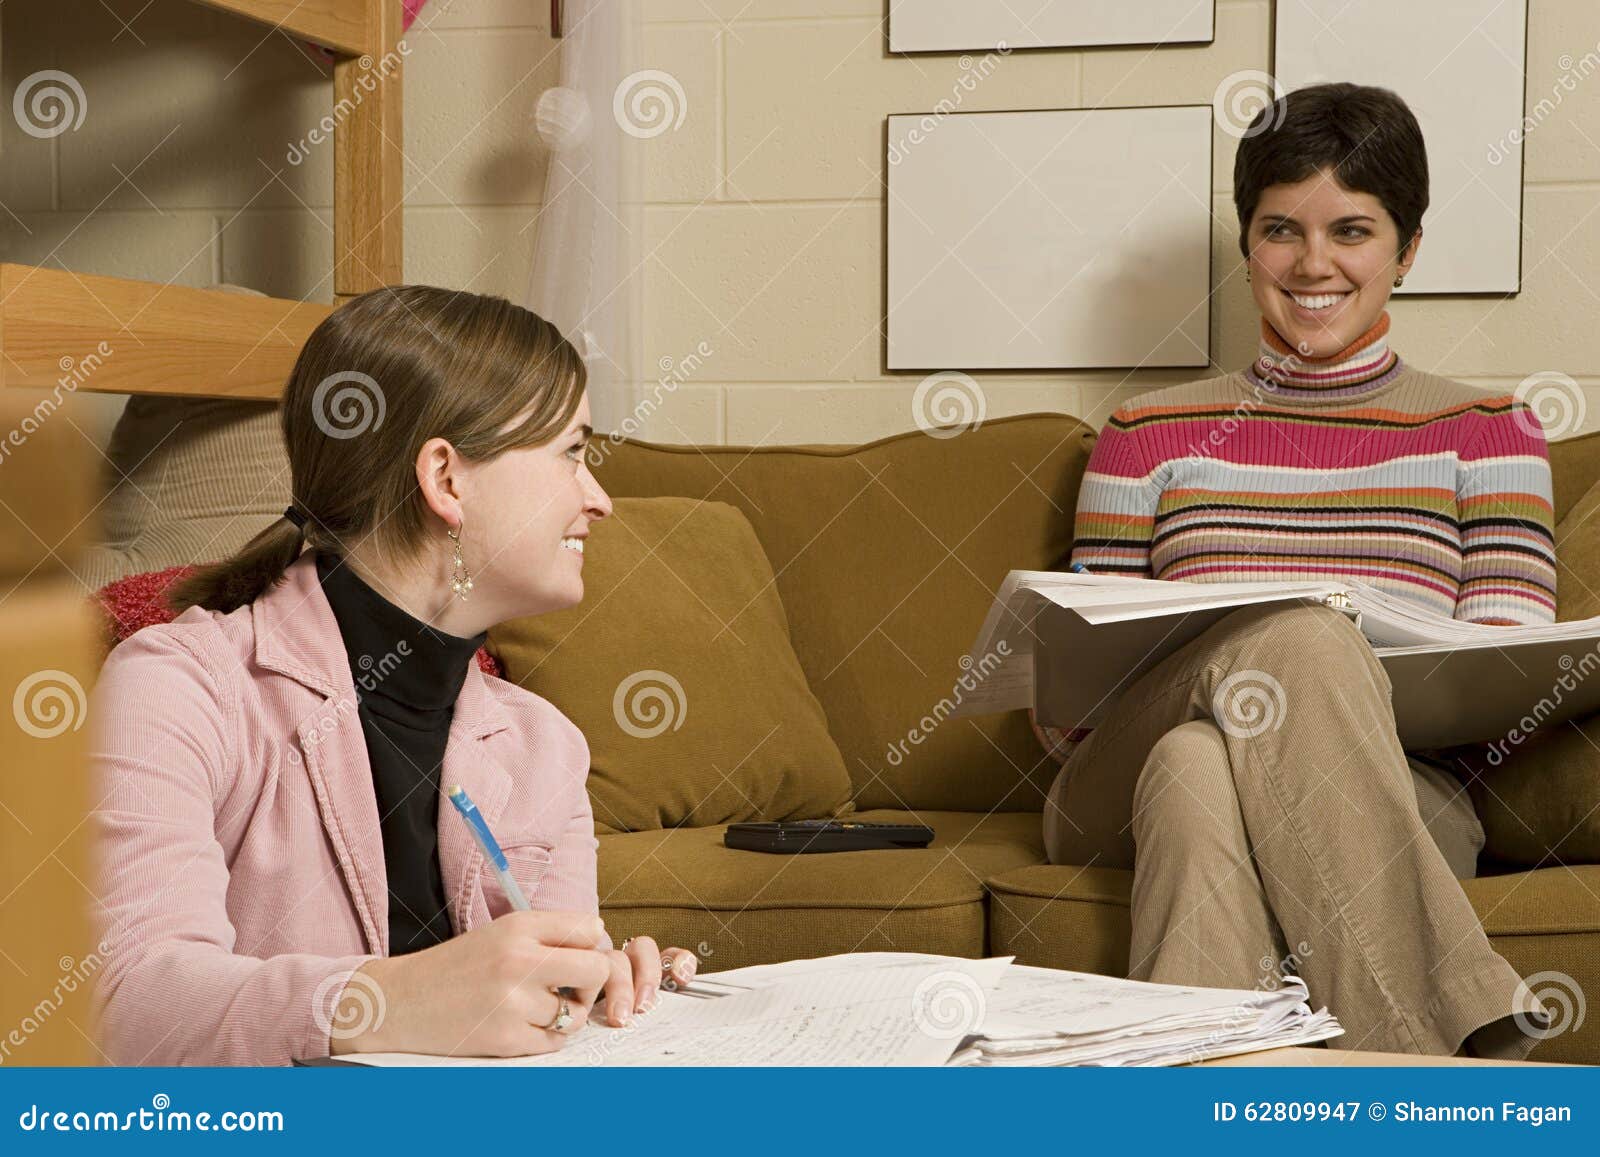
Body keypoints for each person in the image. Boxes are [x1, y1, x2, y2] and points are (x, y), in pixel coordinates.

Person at [1032, 83, 1555, 1059]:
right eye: (1281, 229)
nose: (1313, 263)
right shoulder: (1147, 432)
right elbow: (1076, 709)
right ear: (1246, 244)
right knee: (1294, 642)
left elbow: (1504, 697)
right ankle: (1436, 1070)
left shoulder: (1490, 433)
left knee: (1201, 771)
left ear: (1406, 249)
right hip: (1117, 771)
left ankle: (1220, 1101)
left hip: (1397, 787)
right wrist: (1289, 647)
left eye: (1351, 229)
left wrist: (1309, 700)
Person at [88, 285, 698, 1065]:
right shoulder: (174, 689)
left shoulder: (546, 747)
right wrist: (400, 996)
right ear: (447, 479)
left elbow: (542, 1026)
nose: (600, 499)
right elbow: (129, 1003)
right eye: (573, 454)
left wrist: (594, 988)